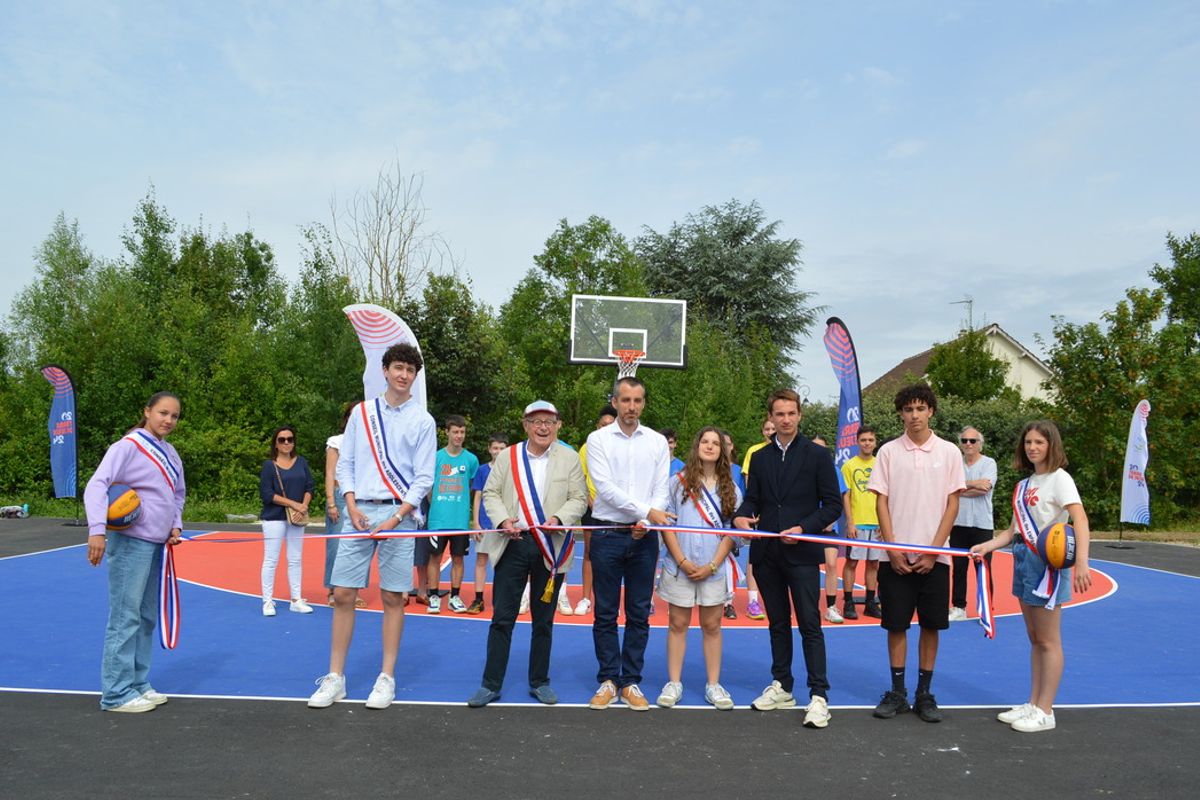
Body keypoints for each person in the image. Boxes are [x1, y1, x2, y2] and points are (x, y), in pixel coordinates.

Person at [308, 343, 436, 711]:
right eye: (398, 367)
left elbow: (424, 477)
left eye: (410, 370)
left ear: (414, 376)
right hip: (359, 513)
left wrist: (397, 517)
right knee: (343, 594)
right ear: (385, 370)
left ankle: (386, 678)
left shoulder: (422, 421)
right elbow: (345, 463)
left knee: (395, 597)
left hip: (400, 515)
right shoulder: (362, 414)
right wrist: (349, 503)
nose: (403, 375)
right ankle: (335, 677)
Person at [971, 420, 1092, 733]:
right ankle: (1033, 701)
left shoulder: (1059, 479)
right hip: (1024, 560)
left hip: (1048, 567)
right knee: (1035, 639)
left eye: (1039, 442)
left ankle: (1046, 710)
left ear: (1051, 445)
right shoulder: (1025, 485)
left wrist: (1082, 562)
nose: (1033, 447)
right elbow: (1012, 532)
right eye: (1028, 443)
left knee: (1049, 641)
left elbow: (1079, 518)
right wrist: (986, 546)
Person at [466, 401, 588, 707]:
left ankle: (539, 681)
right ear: (525, 425)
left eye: (549, 421)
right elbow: (491, 494)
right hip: (513, 544)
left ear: (558, 425)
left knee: (543, 620)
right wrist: (502, 519)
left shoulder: (570, 458)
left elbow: (579, 498)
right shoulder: (508, 457)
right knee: (502, 617)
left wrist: (559, 519)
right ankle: (490, 683)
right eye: (537, 421)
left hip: (551, 548)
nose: (543, 427)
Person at [733, 389, 842, 729]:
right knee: (777, 624)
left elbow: (833, 505)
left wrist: (805, 527)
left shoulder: (818, 456)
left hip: (802, 555)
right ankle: (782, 686)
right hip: (767, 555)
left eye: (791, 413)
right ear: (771, 418)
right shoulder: (761, 457)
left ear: (800, 416)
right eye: (779, 414)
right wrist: (740, 516)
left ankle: (819, 695)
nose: (786, 419)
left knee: (810, 624)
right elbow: (753, 501)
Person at [867, 384, 965, 724]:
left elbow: (953, 503)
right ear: (901, 414)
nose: (914, 416)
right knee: (896, 625)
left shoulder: (950, 452)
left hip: (934, 558)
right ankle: (898, 692)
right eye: (908, 410)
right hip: (894, 558)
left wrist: (934, 550)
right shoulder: (888, 452)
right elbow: (881, 500)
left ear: (931, 412)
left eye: (920, 409)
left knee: (931, 625)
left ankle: (925, 693)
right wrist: (892, 549)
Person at [84, 391, 186, 713]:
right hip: (130, 542)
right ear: (147, 412)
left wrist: (176, 524)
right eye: (163, 413)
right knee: (125, 617)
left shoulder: (171, 454)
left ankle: (138, 683)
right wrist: (96, 529)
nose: (168, 420)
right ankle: (115, 692)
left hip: (157, 544)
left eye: (174, 416)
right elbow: (97, 484)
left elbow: (177, 494)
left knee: (145, 618)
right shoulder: (128, 446)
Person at [585, 377, 673, 711]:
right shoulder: (597, 439)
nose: (631, 407)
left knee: (639, 613)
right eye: (625, 400)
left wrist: (647, 522)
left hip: (644, 538)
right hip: (607, 534)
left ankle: (631, 681)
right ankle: (609, 679)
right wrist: (646, 512)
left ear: (644, 403)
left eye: (637, 401)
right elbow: (605, 489)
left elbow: (661, 489)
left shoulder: (656, 442)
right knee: (605, 613)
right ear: (615, 401)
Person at [656, 427, 742, 710]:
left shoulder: (731, 487)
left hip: (713, 568)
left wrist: (713, 564)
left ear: (723, 450)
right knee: (677, 624)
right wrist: (681, 560)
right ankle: (674, 682)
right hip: (679, 565)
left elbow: (732, 532)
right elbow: (666, 524)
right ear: (696, 446)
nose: (709, 446)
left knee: (712, 625)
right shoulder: (676, 483)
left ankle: (713, 685)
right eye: (704, 441)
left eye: (715, 443)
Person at [419, 414, 478, 614]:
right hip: (437, 519)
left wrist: (459, 503)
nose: (459, 436)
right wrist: (436, 504)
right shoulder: (436, 457)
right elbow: (428, 487)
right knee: (434, 558)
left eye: (462, 432)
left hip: (460, 520)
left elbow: (471, 486)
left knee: (458, 558)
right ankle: (434, 596)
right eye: (455, 432)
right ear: (447, 433)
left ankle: (454, 596)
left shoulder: (471, 460)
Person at [259, 425, 315, 616]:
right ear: (275, 443)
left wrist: (303, 506)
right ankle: (267, 601)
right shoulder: (269, 466)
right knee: (271, 559)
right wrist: (294, 504)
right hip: (274, 518)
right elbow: (267, 494)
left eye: (290, 439)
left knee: (295, 559)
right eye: (282, 439)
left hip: (297, 517)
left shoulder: (302, 463)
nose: (286, 443)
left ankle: (296, 600)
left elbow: (310, 487)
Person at [572, 404, 617, 616]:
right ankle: (585, 599)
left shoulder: (622, 448)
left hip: (616, 510)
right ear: (597, 426)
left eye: (610, 425)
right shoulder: (587, 448)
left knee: (613, 556)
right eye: (602, 425)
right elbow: (580, 477)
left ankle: (607, 600)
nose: (605, 428)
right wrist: (591, 501)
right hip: (593, 508)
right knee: (590, 553)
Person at [949, 426, 997, 621]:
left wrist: (960, 487)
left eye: (972, 441)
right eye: (964, 441)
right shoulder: (955, 463)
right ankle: (959, 607)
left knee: (983, 568)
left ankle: (986, 609)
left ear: (980, 444)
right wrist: (972, 484)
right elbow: (947, 488)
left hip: (982, 524)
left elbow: (984, 488)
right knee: (958, 569)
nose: (968, 444)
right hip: (958, 522)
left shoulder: (989, 463)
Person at [324, 404, 366, 608]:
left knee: (358, 545)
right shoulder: (336, 442)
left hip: (362, 498)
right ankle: (333, 589)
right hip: (340, 496)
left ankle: (353, 590)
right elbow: (330, 473)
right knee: (336, 545)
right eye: (351, 415)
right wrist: (331, 501)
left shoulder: (367, 443)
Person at [840, 426, 883, 620]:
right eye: (864, 440)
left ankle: (869, 603)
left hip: (876, 524)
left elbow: (885, 495)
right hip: (857, 523)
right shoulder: (849, 466)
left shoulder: (881, 464)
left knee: (874, 564)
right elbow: (846, 496)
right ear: (857, 442)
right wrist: (850, 522)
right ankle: (848, 602)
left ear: (875, 442)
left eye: (871, 440)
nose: (867, 443)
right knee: (852, 562)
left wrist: (884, 522)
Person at [466, 433, 509, 614]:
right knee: (481, 560)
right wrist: (476, 522)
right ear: (489, 449)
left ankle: (501, 599)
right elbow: (477, 497)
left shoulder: (511, 470)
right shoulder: (483, 470)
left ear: (507, 449)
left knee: (502, 563)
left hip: (503, 525)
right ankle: (478, 599)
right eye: (495, 448)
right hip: (485, 524)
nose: (498, 452)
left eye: (501, 448)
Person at [811, 435, 849, 625]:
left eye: (822, 448)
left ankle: (831, 607)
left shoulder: (835, 471)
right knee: (807, 568)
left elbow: (838, 501)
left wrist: (829, 519)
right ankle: (808, 607)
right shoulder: (801, 469)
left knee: (832, 565)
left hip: (827, 528)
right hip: (807, 528)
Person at [739, 418, 774, 621]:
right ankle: (753, 600)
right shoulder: (754, 452)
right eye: (766, 429)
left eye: (772, 428)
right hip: (759, 512)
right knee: (755, 556)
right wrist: (755, 509)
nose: (770, 431)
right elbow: (749, 482)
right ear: (762, 431)